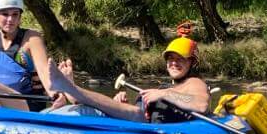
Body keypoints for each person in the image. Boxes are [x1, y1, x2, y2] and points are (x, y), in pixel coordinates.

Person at [46, 34, 210, 122]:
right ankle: (74, 93)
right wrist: (123, 104)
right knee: (111, 108)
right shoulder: (167, 85)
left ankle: (72, 89)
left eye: (180, 59)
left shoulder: (195, 82)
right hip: (140, 122)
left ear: (192, 63)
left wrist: (164, 94)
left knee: (134, 113)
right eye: (170, 59)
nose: (173, 63)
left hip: (151, 130)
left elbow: (201, 104)